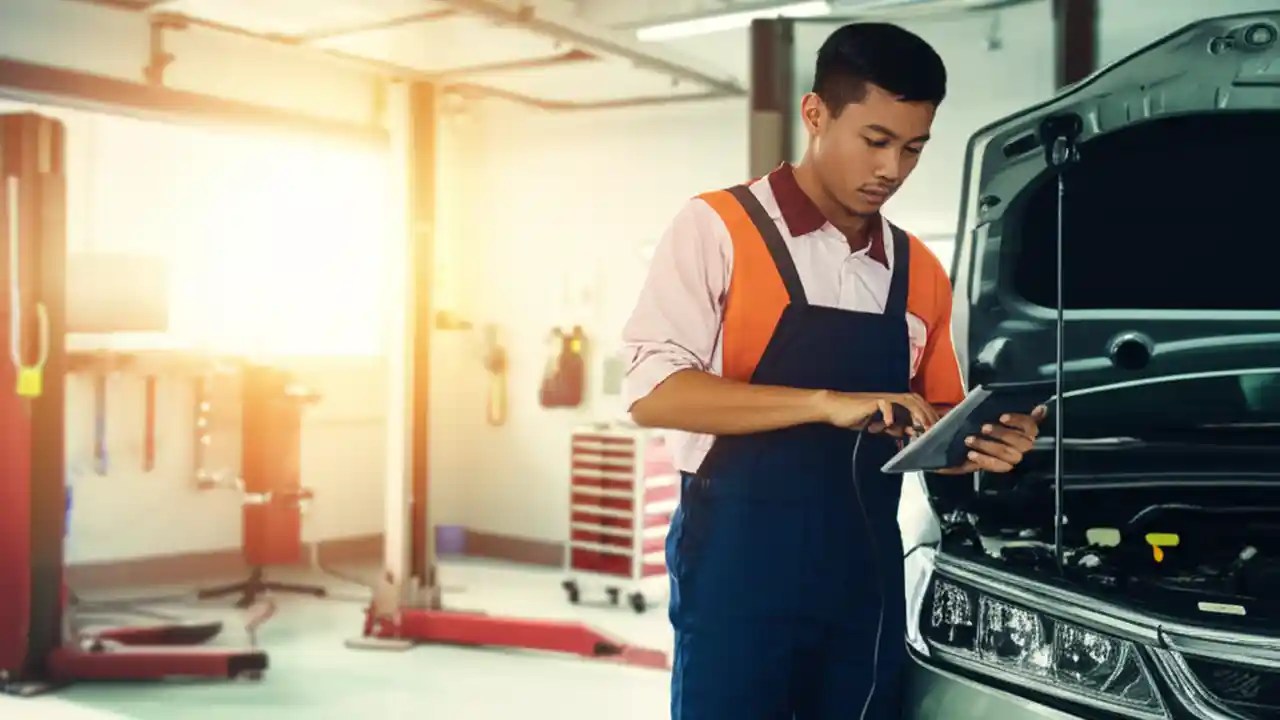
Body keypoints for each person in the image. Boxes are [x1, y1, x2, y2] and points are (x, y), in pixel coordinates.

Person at [621, 21, 1046, 720]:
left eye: (913, 148)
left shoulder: (919, 272)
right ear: (815, 114)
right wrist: (826, 402)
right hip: (738, 562)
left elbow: (930, 426)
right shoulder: (717, 228)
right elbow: (653, 392)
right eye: (875, 141)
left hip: (864, 570)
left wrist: (980, 448)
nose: (893, 169)